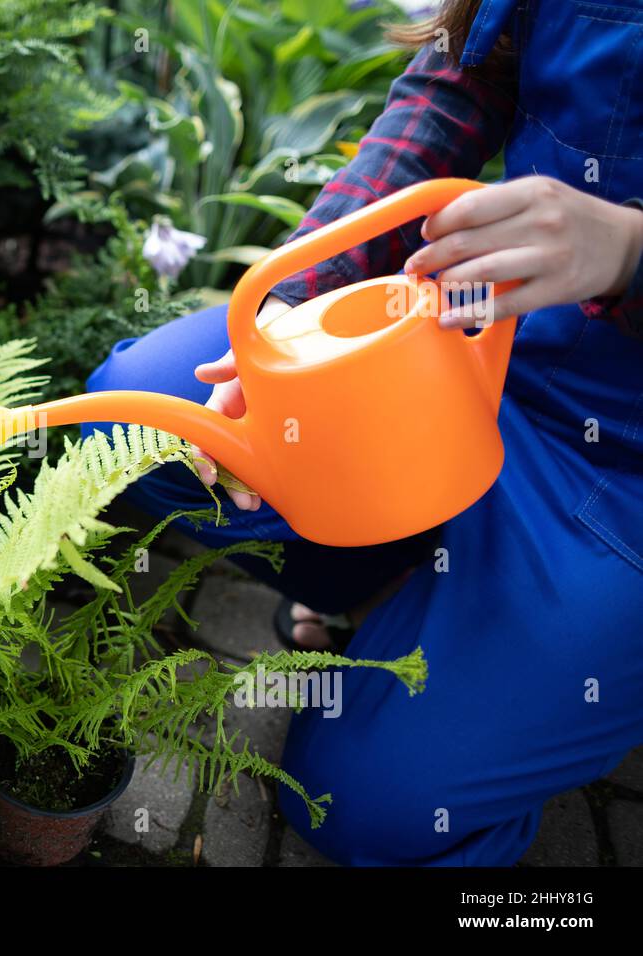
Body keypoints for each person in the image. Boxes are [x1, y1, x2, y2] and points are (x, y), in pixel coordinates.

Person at [84, 0, 643, 865]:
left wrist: (630, 250)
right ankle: (389, 582)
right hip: (479, 341)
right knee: (138, 422)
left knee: (369, 808)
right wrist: (296, 305)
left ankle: (521, 666)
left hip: (621, 475)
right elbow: (458, 83)